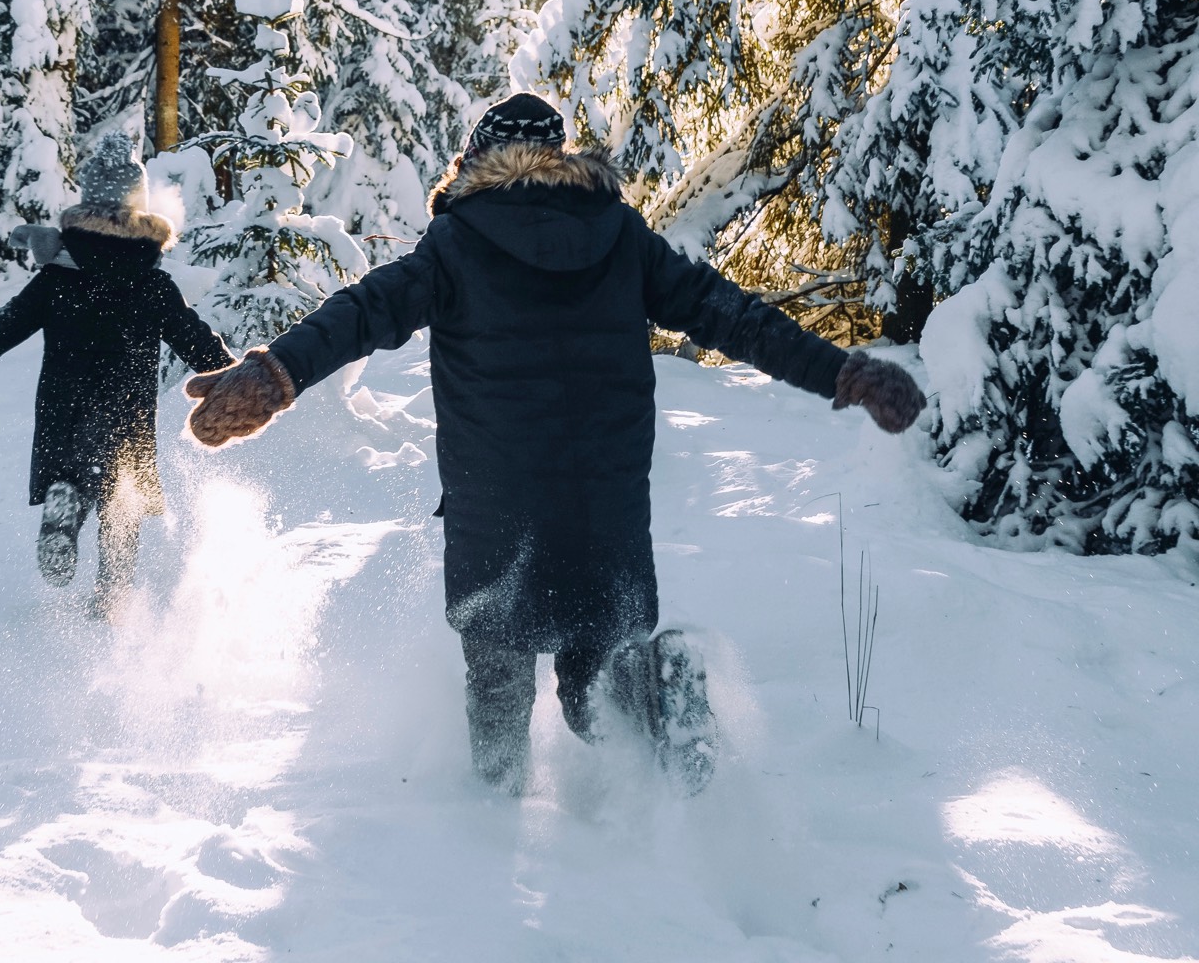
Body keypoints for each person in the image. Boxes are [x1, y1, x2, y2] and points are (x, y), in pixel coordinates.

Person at [184, 93, 925, 793]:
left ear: (475, 164)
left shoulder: (456, 242)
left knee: (499, 692)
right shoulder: (624, 239)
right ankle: (663, 699)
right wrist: (844, 372)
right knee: (597, 692)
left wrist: (277, 372)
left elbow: (361, 312)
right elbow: (732, 316)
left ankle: (490, 835)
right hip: (605, 515)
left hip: (497, 515)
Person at [0, 131, 232, 607]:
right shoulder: (153, 285)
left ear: (87, 203)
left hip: (67, 414)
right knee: (121, 508)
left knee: (75, 474)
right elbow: (205, 353)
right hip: (128, 420)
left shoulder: (57, 279)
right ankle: (110, 601)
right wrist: (253, 376)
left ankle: (65, 500)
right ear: (138, 209)